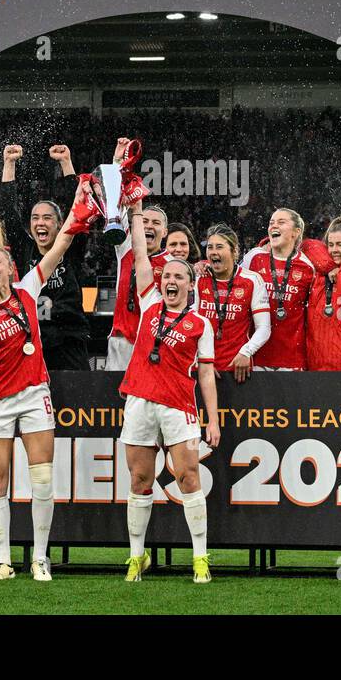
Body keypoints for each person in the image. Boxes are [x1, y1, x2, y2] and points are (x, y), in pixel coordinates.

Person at [0, 191, 84, 582]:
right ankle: (4, 561)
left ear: (10, 268)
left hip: (33, 395)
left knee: (41, 478)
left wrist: (78, 205)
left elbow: (60, 245)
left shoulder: (28, 289)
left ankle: (40, 558)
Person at [118, 198, 220, 584]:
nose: (171, 281)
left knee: (188, 477)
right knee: (140, 481)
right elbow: (141, 256)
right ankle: (136, 557)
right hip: (141, 402)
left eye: (179, 277)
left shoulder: (200, 324)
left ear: (191, 285)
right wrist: (137, 210)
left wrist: (212, 418)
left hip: (179, 406)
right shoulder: (148, 307)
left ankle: (199, 558)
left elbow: (207, 376)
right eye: (167, 278)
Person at [0, 144, 90, 371]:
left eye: (48, 218)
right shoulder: (25, 250)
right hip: (33, 338)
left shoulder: (71, 247)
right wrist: (9, 165)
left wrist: (66, 163)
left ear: (60, 225)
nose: (40, 222)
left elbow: (77, 207)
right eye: (35, 218)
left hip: (69, 340)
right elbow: (9, 215)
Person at [104, 140, 170, 371]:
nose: (149, 226)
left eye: (156, 223)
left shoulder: (173, 265)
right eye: (145, 221)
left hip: (156, 341)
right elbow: (114, 208)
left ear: (165, 231)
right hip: (122, 341)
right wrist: (117, 164)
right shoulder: (125, 249)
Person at [240, 208, 316, 371]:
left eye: (281, 222)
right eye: (271, 223)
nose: (274, 226)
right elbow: (229, 278)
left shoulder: (307, 267)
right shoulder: (254, 258)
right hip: (255, 355)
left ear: (296, 232)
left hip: (291, 358)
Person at [195, 223, 270, 382]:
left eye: (219, 247)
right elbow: (190, 324)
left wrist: (246, 352)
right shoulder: (198, 279)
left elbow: (264, 327)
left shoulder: (252, 280)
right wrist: (201, 360)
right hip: (202, 367)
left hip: (238, 369)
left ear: (234, 250)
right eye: (210, 247)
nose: (213, 252)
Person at [306, 215, 341, 371]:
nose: (334, 250)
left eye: (340, 244)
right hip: (315, 365)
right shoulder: (317, 273)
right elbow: (307, 244)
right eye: (330, 245)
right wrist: (330, 267)